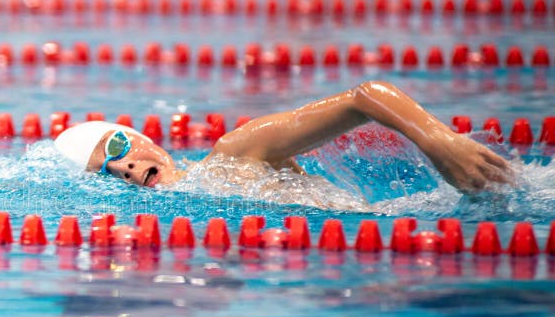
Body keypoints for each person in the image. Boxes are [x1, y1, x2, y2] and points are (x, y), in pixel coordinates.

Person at [54, 81, 512, 194]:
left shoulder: (234, 154)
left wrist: (439, 142)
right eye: (106, 172)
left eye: (117, 148)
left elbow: (364, 97)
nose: (124, 166)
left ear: (145, 139)